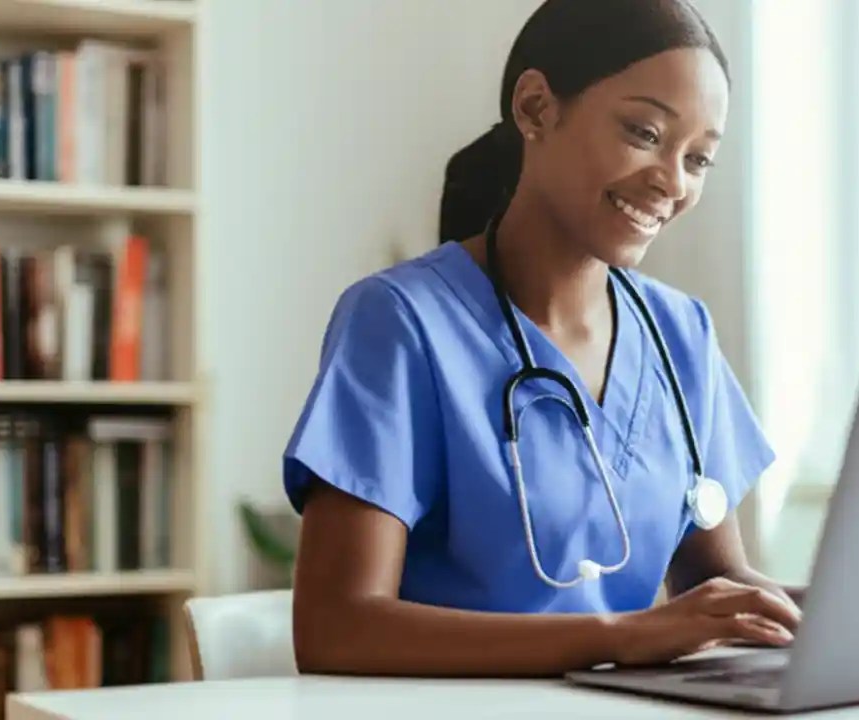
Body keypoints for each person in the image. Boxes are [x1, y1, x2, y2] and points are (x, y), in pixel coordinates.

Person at [283, 0, 801, 678]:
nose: (673, 181)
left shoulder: (681, 333)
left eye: (699, 158)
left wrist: (852, 614)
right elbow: (336, 628)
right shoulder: (401, 322)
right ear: (535, 108)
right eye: (644, 132)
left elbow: (719, 585)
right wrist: (619, 636)